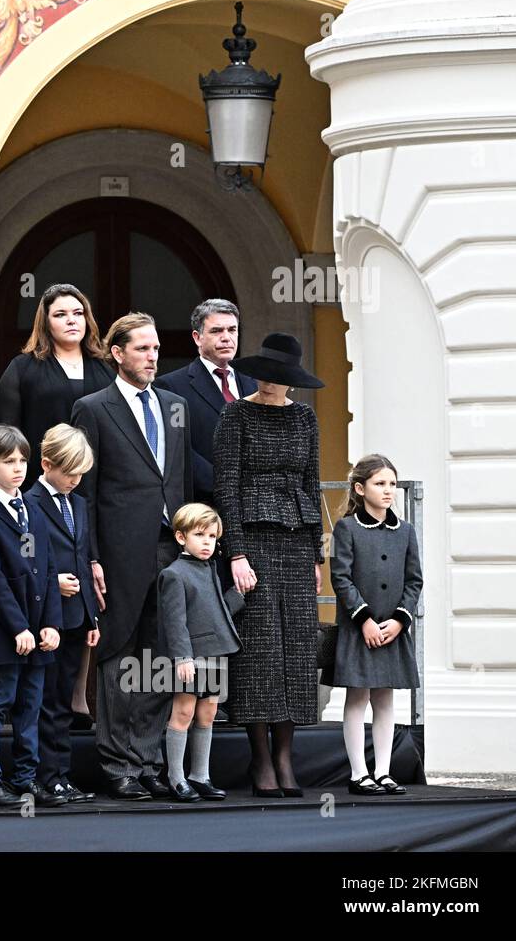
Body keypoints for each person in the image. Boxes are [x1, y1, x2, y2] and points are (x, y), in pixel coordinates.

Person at [70, 312, 193, 800]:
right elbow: (87, 492)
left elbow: (178, 480)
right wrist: (92, 557)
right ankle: (118, 763)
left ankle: (147, 760)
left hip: (172, 549)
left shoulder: (176, 406)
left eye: (157, 347)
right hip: (118, 554)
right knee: (120, 656)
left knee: (162, 655)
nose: (152, 356)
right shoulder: (92, 408)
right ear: (117, 353)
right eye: (142, 348)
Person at [212, 331, 324, 797]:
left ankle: (285, 756)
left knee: (297, 647)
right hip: (252, 542)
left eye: (283, 379)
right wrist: (235, 551)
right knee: (259, 647)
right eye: (269, 377)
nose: (275, 385)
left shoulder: (305, 418)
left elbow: (313, 481)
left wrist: (318, 551)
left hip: (298, 541)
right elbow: (226, 487)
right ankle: (261, 758)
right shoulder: (235, 414)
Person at [0, 425, 62, 808]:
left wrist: (49, 623)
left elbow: (46, 569)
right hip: (7, 631)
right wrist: (18, 627)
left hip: (38, 629)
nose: (18, 468)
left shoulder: (33, 510)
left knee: (31, 707)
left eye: (22, 460)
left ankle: (25, 779)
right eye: (8, 462)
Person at [324, 454, 422, 797]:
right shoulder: (347, 528)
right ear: (359, 488)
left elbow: (414, 581)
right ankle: (358, 773)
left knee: (385, 699)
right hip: (358, 629)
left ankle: (383, 771)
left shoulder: (405, 531)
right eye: (380, 484)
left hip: (393, 629)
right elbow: (341, 579)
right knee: (357, 697)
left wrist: (399, 620)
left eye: (393, 484)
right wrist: (364, 620)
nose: (388, 490)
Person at [25, 424, 100, 805]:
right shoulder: (29, 504)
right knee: (47, 701)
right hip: (45, 621)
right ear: (46, 464)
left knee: (66, 703)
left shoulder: (79, 503)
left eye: (81, 473)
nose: (75, 480)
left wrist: (91, 618)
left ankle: (60, 776)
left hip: (75, 617)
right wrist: (53, 583)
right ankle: (42, 777)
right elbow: (25, 561)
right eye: (69, 472)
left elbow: (84, 560)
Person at [156, 503, 243, 803]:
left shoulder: (211, 570)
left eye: (212, 536)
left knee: (207, 713)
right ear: (181, 537)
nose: (207, 542)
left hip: (215, 652)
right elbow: (175, 621)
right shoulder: (174, 575)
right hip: (190, 657)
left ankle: (200, 775)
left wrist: (238, 596)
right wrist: (182, 658)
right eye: (199, 535)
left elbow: (216, 611)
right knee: (183, 713)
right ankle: (176, 778)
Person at [0, 284, 114, 492]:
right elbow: (8, 434)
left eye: (78, 313)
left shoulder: (108, 369)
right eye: (60, 314)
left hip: (100, 486)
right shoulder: (22, 369)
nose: (71, 320)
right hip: (40, 486)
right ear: (46, 323)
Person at [155, 299, 257, 507]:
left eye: (232, 330)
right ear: (197, 337)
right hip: (205, 507)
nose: (226, 338)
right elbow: (179, 448)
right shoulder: (171, 386)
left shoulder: (253, 382)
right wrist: (224, 487)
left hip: (254, 505)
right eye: (217, 331)